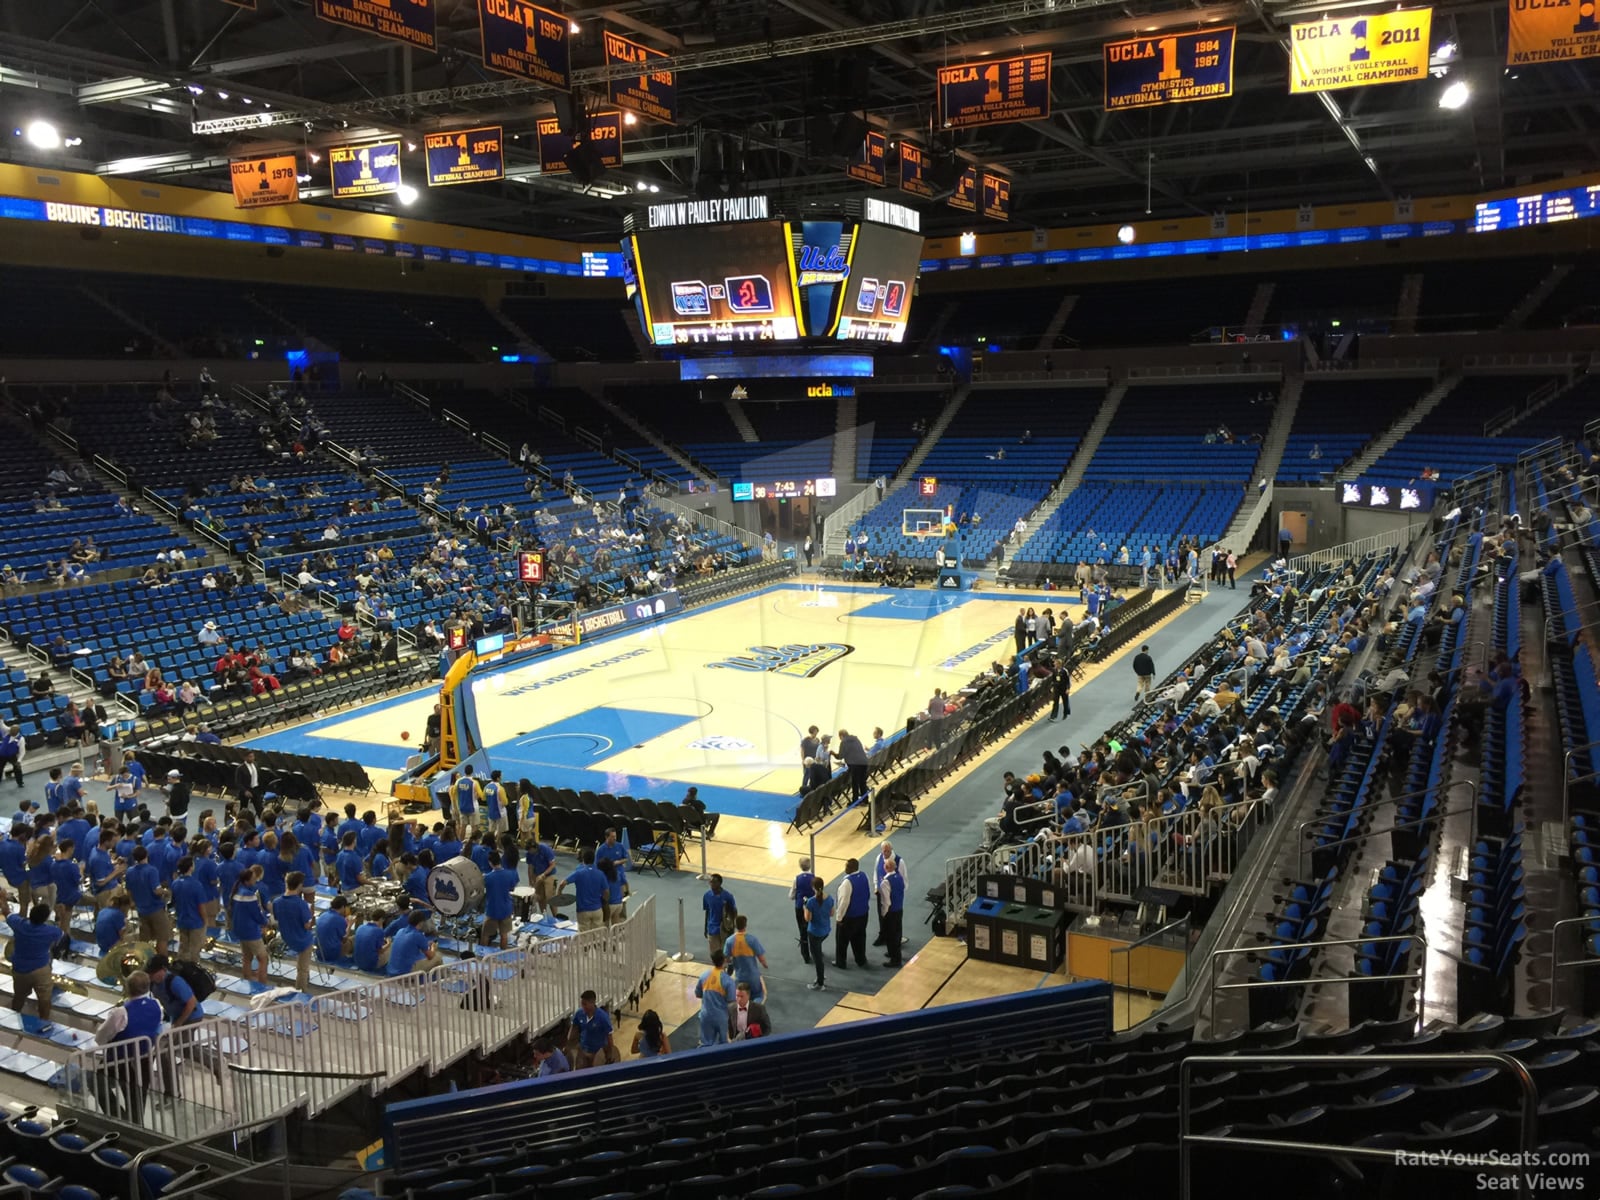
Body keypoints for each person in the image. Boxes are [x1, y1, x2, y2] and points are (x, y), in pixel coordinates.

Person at [91, 970, 160, 1122]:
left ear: (128, 988)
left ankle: (117, 1116)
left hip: (119, 1058)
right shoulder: (157, 1005)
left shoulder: (121, 1012)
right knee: (137, 1095)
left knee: (94, 1081)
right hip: (145, 1056)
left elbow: (101, 1037)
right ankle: (135, 1123)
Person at [3, 900, 58, 1024]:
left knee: (19, 996)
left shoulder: (19, 923)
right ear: (45, 918)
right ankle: (44, 1023)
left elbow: (6, 912)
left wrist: (3, 899)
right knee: (44, 1000)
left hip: (19, 968)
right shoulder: (51, 931)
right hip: (41, 970)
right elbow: (61, 936)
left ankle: (12, 1020)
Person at [272, 871, 316, 992]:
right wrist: (311, 916)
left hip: (286, 936)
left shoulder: (276, 902)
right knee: (302, 969)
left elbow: (276, 919)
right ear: (300, 885)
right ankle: (301, 992)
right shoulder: (301, 904)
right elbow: (307, 925)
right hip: (301, 940)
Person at [230, 865, 270, 985]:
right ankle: (262, 984)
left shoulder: (236, 892)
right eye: (253, 878)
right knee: (263, 958)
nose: (255, 880)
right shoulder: (249, 895)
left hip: (240, 929)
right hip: (251, 931)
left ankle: (247, 980)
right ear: (247, 881)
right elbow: (256, 914)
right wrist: (265, 922)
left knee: (247, 956)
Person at [834, 858, 871, 970]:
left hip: (850, 917)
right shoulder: (864, 875)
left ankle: (841, 962)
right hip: (863, 914)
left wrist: (839, 917)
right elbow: (867, 893)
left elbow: (844, 902)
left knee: (842, 941)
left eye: (846, 866)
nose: (845, 868)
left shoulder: (847, 882)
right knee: (860, 938)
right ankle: (861, 960)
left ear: (851, 868)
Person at [723, 914, 768, 1003]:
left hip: (740, 977)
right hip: (753, 976)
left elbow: (726, 958)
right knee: (758, 995)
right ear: (745, 925)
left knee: (741, 998)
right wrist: (765, 964)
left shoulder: (730, 941)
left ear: (735, 926)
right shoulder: (752, 940)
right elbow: (761, 958)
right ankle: (754, 1011)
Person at [694, 951, 734, 1048]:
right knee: (724, 1045)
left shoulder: (704, 976)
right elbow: (731, 1001)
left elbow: (698, 994)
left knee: (705, 1044)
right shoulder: (728, 981)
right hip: (721, 1017)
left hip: (706, 1015)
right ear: (724, 961)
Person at [569, 989, 617, 1068]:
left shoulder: (603, 1017)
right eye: (582, 1004)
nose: (583, 1007)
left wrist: (610, 1054)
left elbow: (609, 1036)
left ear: (593, 1003)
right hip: (583, 1051)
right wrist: (569, 1043)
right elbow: (574, 1028)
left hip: (598, 1054)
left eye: (585, 1004)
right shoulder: (579, 1013)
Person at [481, 850, 518, 951]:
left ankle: (482, 954)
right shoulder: (510, 875)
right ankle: (503, 955)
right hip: (506, 909)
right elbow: (512, 888)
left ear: (490, 862)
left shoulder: (487, 877)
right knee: (504, 935)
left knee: (485, 935)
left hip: (493, 909)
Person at [564, 849, 607, 932]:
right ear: (594, 859)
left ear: (583, 859)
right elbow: (606, 892)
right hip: (597, 909)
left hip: (583, 910)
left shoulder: (578, 872)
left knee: (583, 936)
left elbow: (563, 883)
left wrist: (559, 894)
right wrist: (604, 900)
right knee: (597, 935)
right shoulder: (600, 873)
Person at [803, 877, 833, 991]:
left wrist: (804, 906)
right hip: (825, 930)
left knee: (817, 958)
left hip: (815, 932)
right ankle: (820, 975)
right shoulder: (829, 898)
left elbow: (807, 918)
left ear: (813, 888)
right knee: (818, 951)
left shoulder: (811, 902)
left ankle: (820, 982)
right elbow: (831, 913)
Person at [386, 910, 438, 976]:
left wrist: (425, 944)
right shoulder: (418, 935)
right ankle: (441, 980)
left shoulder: (400, 931)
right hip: (405, 973)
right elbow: (430, 956)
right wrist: (433, 947)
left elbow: (410, 944)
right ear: (421, 923)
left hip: (391, 971)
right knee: (437, 957)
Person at [788, 856, 816, 964]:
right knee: (813, 929)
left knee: (802, 930)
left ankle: (805, 955)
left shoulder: (797, 878)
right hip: (812, 907)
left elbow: (791, 895)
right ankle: (816, 950)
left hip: (800, 907)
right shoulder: (814, 878)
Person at [702, 874, 736, 958]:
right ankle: (718, 970)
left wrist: (731, 928)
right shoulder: (707, 896)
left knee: (726, 954)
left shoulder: (728, 896)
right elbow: (707, 912)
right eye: (710, 882)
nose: (711, 884)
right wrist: (706, 927)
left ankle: (727, 968)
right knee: (715, 955)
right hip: (712, 929)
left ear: (720, 883)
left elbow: (734, 912)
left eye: (714, 882)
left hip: (725, 929)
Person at [526, 837, 557, 915]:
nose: (530, 853)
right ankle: (544, 916)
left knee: (550, 897)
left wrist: (543, 874)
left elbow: (553, 865)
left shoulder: (545, 849)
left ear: (535, 847)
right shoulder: (529, 853)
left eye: (531, 851)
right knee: (540, 897)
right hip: (537, 874)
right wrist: (531, 881)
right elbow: (530, 867)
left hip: (549, 874)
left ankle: (555, 916)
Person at [1049, 657, 1072, 721]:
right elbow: (1053, 679)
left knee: (1065, 701)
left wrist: (1068, 688)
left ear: (1059, 664)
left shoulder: (1064, 671)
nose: (1054, 664)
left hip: (1063, 688)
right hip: (1057, 689)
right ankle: (1053, 716)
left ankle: (1065, 714)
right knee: (1055, 702)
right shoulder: (1054, 671)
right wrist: (1052, 687)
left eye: (1055, 664)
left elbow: (1068, 680)